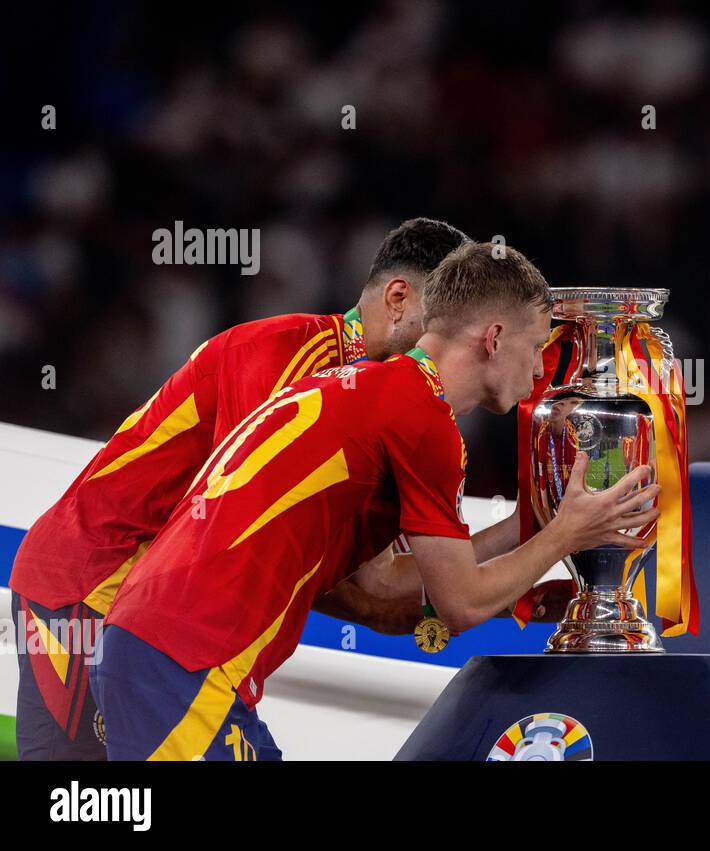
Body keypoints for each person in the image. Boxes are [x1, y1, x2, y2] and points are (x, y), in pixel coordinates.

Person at [90, 241, 659, 760]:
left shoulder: (376, 390)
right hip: (181, 662)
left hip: (163, 651)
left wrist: (530, 525)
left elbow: (382, 586)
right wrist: (566, 536)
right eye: (536, 347)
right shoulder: (422, 423)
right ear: (494, 338)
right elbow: (460, 603)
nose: (539, 369)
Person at [9, 218, 472, 760]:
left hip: (160, 631)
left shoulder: (387, 410)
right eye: (444, 329)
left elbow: (372, 589)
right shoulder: (281, 353)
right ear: (398, 298)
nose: (452, 354)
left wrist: (506, 583)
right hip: (91, 586)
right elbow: (232, 539)